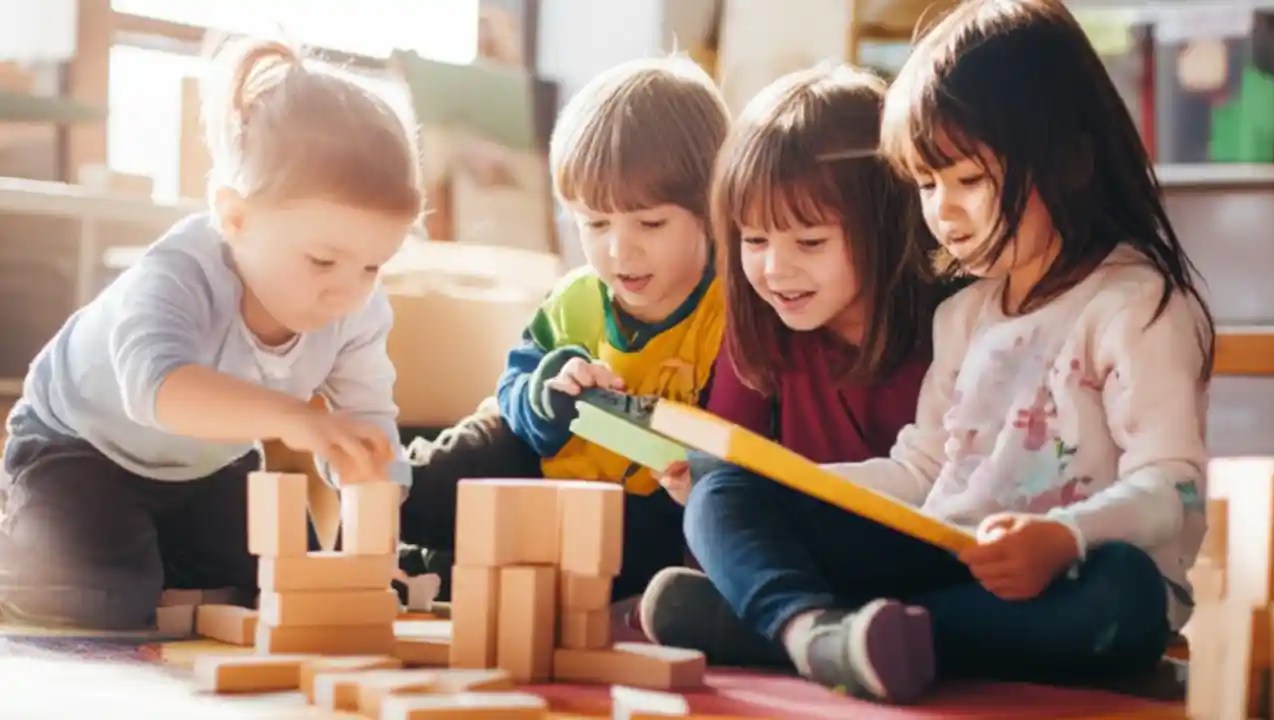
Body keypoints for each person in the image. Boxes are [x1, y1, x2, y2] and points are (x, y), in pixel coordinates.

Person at [647, 0, 1215, 704]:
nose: (942, 211)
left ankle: (793, 629)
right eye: (925, 184)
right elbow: (920, 471)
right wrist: (776, 480)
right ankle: (814, 633)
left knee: (1124, 596)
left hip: (1074, 579)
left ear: (1068, 162)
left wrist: (1062, 539)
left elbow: (1175, 489)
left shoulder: (1136, 306)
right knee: (722, 488)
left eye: (968, 181)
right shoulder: (964, 314)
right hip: (943, 562)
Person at [0, 37, 422, 630]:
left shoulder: (358, 307)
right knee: (98, 602)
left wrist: (378, 491)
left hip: (207, 465)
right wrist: (296, 419)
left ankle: (155, 555)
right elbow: (159, 391)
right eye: (323, 261)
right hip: (80, 447)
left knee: (277, 588)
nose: (348, 291)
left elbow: (372, 421)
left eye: (374, 265)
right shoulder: (177, 273)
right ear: (236, 218)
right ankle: (28, 546)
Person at [637, 62, 943, 666]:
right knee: (711, 496)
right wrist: (697, 484)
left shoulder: (951, 328)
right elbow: (728, 478)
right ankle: (814, 633)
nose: (775, 270)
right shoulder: (761, 331)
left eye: (809, 243)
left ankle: (791, 630)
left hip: (927, 562)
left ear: (886, 226)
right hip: (809, 572)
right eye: (754, 241)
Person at [399, 55, 730, 601]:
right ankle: (392, 502)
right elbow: (513, 392)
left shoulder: (726, 311)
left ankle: (444, 569)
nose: (620, 250)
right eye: (595, 224)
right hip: (541, 463)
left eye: (651, 223)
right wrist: (547, 393)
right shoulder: (577, 297)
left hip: (638, 506)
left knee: (616, 559)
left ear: (711, 211)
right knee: (476, 450)